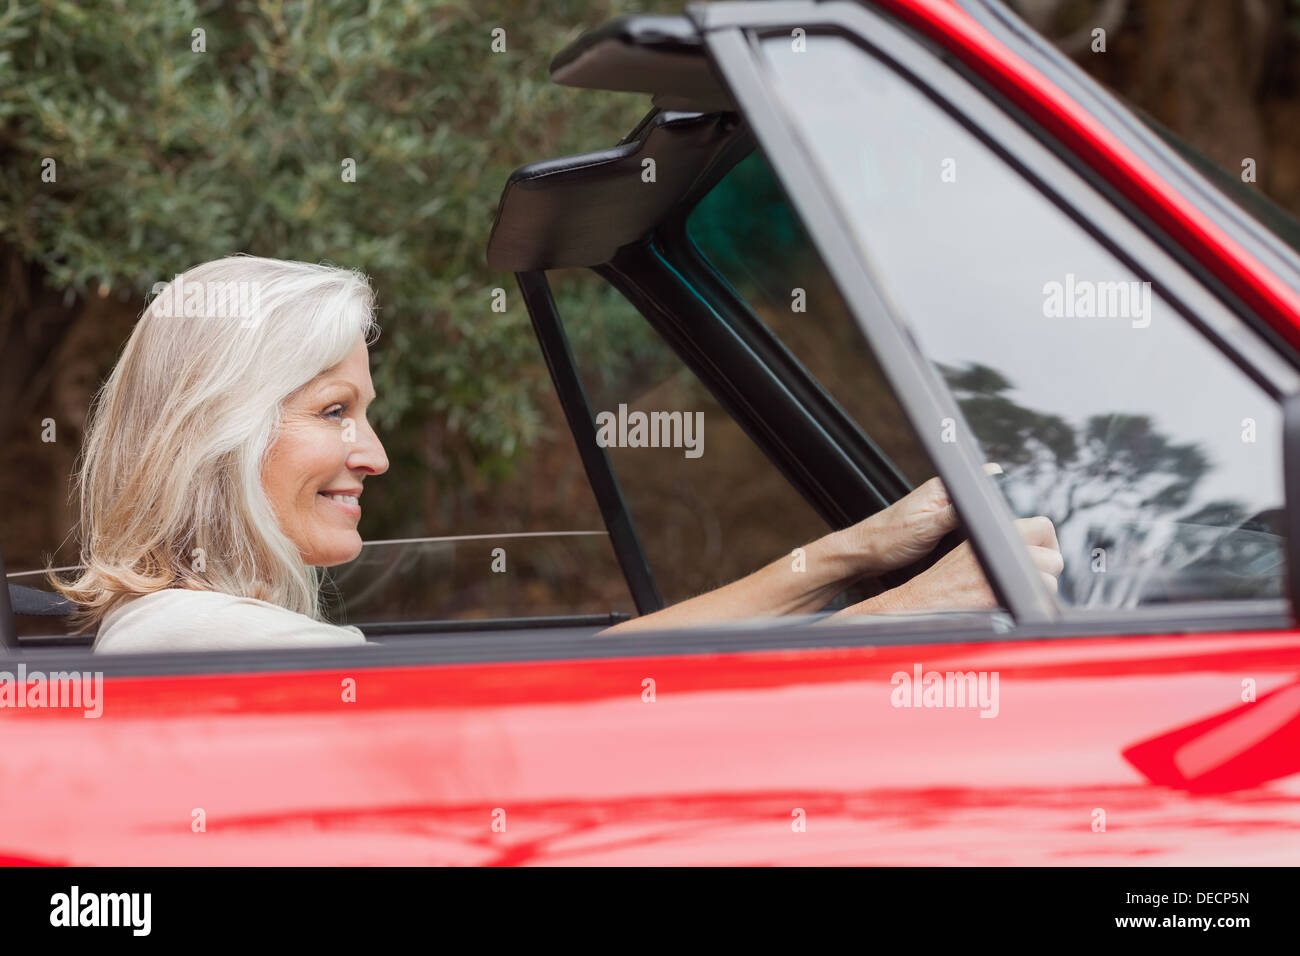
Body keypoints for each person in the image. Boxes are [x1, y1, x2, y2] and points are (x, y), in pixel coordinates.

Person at [54, 256, 1060, 653]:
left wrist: (846, 559)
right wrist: (900, 616)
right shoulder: (197, 643)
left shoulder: (201, 626)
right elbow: (560, 732)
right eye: (334, 409)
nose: (375, 453)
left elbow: (583, 679)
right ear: (217, 427)